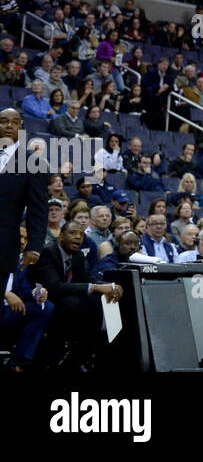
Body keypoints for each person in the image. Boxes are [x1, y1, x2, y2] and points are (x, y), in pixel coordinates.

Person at [30, 222, 123, 370]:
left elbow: (85, 278)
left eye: (81, 234)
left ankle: (92, 354)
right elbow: (55, 287)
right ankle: (58, 355)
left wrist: (110, 286)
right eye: (73, 233)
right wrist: (97, 287)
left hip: (67, 298)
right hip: (43, 297)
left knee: (99, 301)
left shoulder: (78, 255)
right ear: (61, 236)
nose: (78, 237)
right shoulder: (48, 252)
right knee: (72, 303)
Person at [1, 107, 48, 299]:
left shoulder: (33, 162)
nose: (9, 126)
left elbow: (38, 209)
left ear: (21, 127)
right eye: (4, 121)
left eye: (15, 122)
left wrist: (34, 246)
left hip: (3, 245)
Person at [1, 225, 53, 371]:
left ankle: (20, 361)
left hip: (9, 311)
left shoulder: (21, 262)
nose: (23, 241)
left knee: (46, 307)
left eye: (26, 238)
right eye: (19, 237)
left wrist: (38, 292)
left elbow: (24, 289)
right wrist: (4, 294)